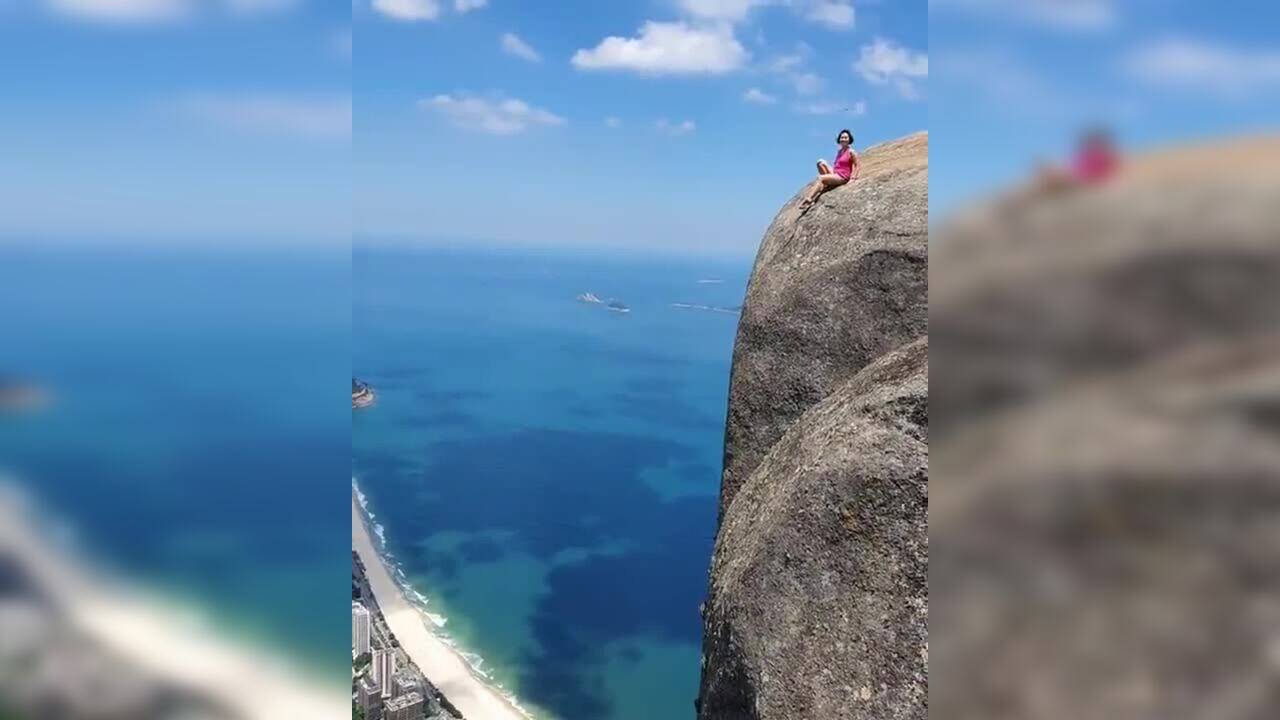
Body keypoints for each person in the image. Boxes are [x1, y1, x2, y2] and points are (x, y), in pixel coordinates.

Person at [1033, 127, 1119, 194]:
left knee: (1052, 173)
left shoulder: (1100, 156)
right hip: (1076, 178)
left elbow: (1096, 175)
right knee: (1049, 169)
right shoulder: (1088, 155)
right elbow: (1074, 167)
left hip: (1081, 181)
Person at [800, 129, 860, 211]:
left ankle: (809, 199)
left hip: (842, 176)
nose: (843, 139)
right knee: (820, 162)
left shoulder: (851, 152)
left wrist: (853, 178)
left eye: (846, 138)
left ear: (849, 140)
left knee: (820, 178)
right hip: (835, 173)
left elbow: (857, 165)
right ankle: (826, 184)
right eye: (842, 137)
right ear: (839, 139)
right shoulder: (840, 151)